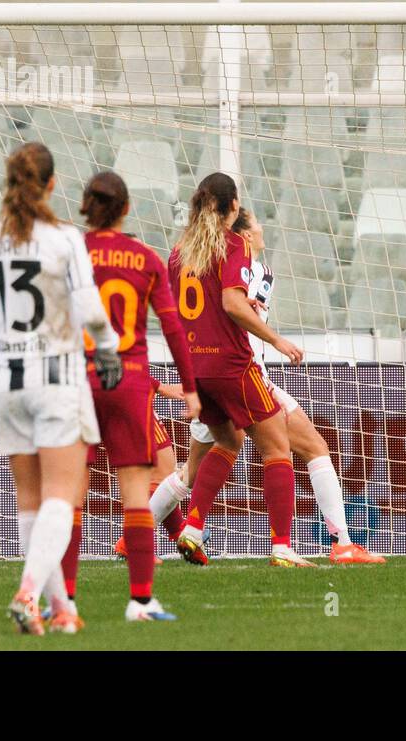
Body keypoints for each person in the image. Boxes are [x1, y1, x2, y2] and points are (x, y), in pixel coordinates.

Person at [0, 142, 122, 635]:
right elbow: (91, 310)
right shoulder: (64, 240)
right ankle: (27, 593)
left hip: (3, 380)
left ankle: (60, 610)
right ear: (53, 184)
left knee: (30, 501)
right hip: (55, 375)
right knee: (64, 492)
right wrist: (107, 349)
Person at [149, 207, 385, 564]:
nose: (262, 228)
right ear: (242, 233)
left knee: (199, 465)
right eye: (256, 222)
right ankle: (333, 543)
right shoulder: (246, 264)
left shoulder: (195, 258)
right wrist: (276, 339)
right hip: (243, 374)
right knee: (308, 448)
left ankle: (160, 534)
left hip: (208, 371)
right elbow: (237, 308)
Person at [69, 170, 201, 622]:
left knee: (71, 495)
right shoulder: (145, 258)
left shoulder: (72, 255)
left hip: (79, 379)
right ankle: (141, 602)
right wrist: (189, 388)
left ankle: (64, 603)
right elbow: (173, 329)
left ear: (88, 207)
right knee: (134, 493)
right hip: (129, 383)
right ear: (126, 209)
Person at [168, 172, 310, 567]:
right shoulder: (234, 245)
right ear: (233, 207)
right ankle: (282, 546)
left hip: (195, 366)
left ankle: (192, 529)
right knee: (277, 447)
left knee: (228, 442)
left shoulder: (178, 253)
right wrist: (276, 340)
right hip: (230, 364)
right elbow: (232, 303)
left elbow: (176, 313)